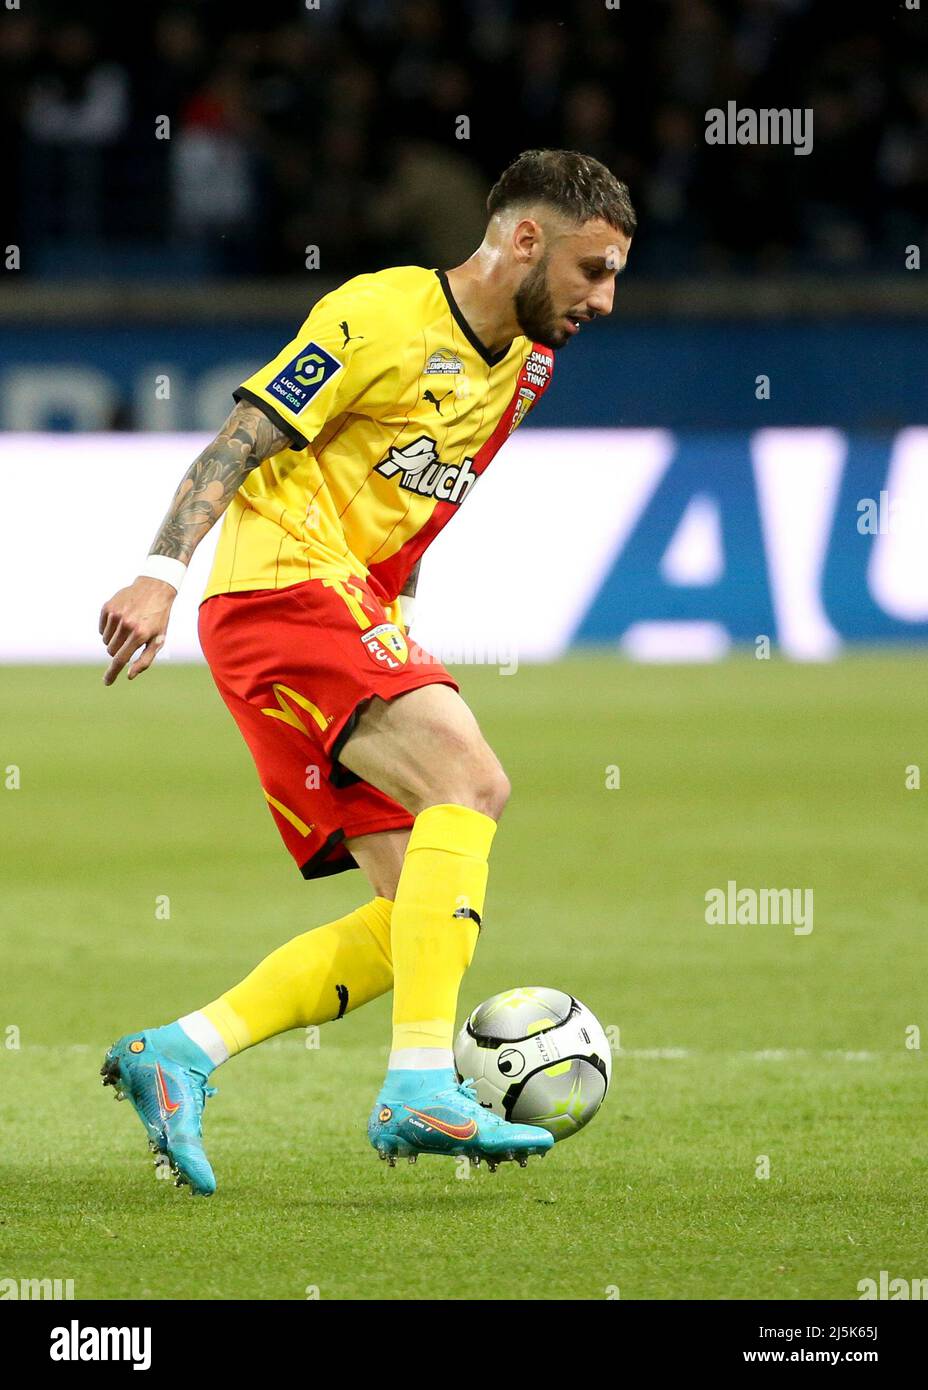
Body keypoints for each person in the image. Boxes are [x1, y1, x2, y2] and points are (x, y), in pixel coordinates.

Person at [98, 147, 635, 1194]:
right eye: (592, 270)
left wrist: (402, 632)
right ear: (524, 240)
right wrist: (159, 571)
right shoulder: (379, 316)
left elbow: (422, 508)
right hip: (281, 593)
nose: (605, 299)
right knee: (472, 782)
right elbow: (239, 440)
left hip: (348, 612)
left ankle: (182, 1050)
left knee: (408, 922)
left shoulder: (525, 367)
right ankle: (419, 1085)